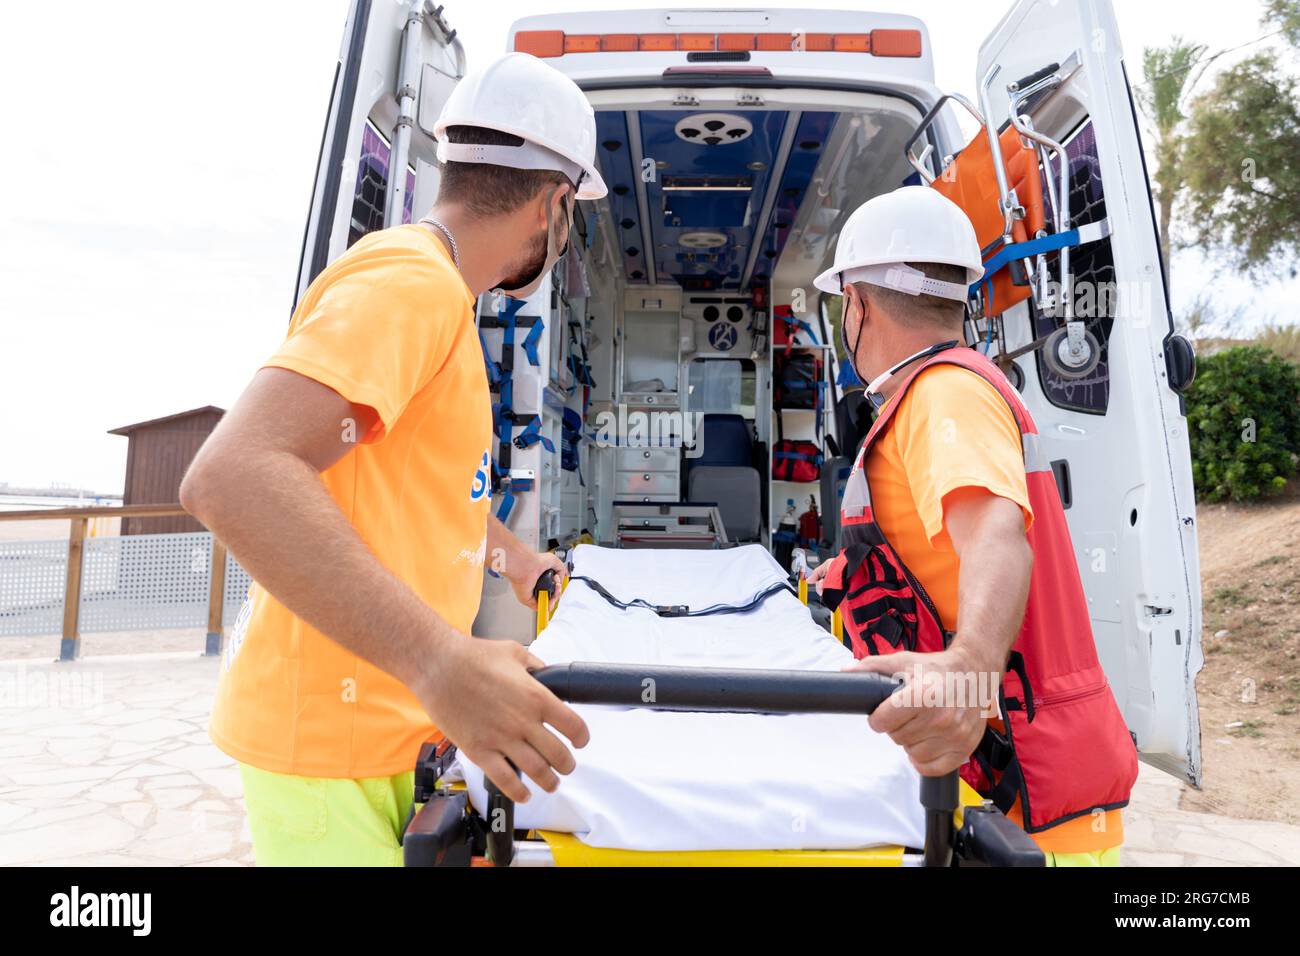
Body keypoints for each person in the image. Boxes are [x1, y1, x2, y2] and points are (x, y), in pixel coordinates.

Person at [180, 53, 608, 866]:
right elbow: (234, 475)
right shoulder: (412, 284)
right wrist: (442, 661)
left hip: (384, 734)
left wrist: (514, 560)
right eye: (572, 217)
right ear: (556, 204)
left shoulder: (437, 294)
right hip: (330, 749)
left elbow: (423, 491)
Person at [808, 186, 1138, 866]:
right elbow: (949, 545)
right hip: (1016, 774)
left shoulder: (943, 395)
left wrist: (968, 669)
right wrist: (847, 574)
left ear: (859, 305)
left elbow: (995, 536)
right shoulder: (955, 389)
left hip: (1021, 803)